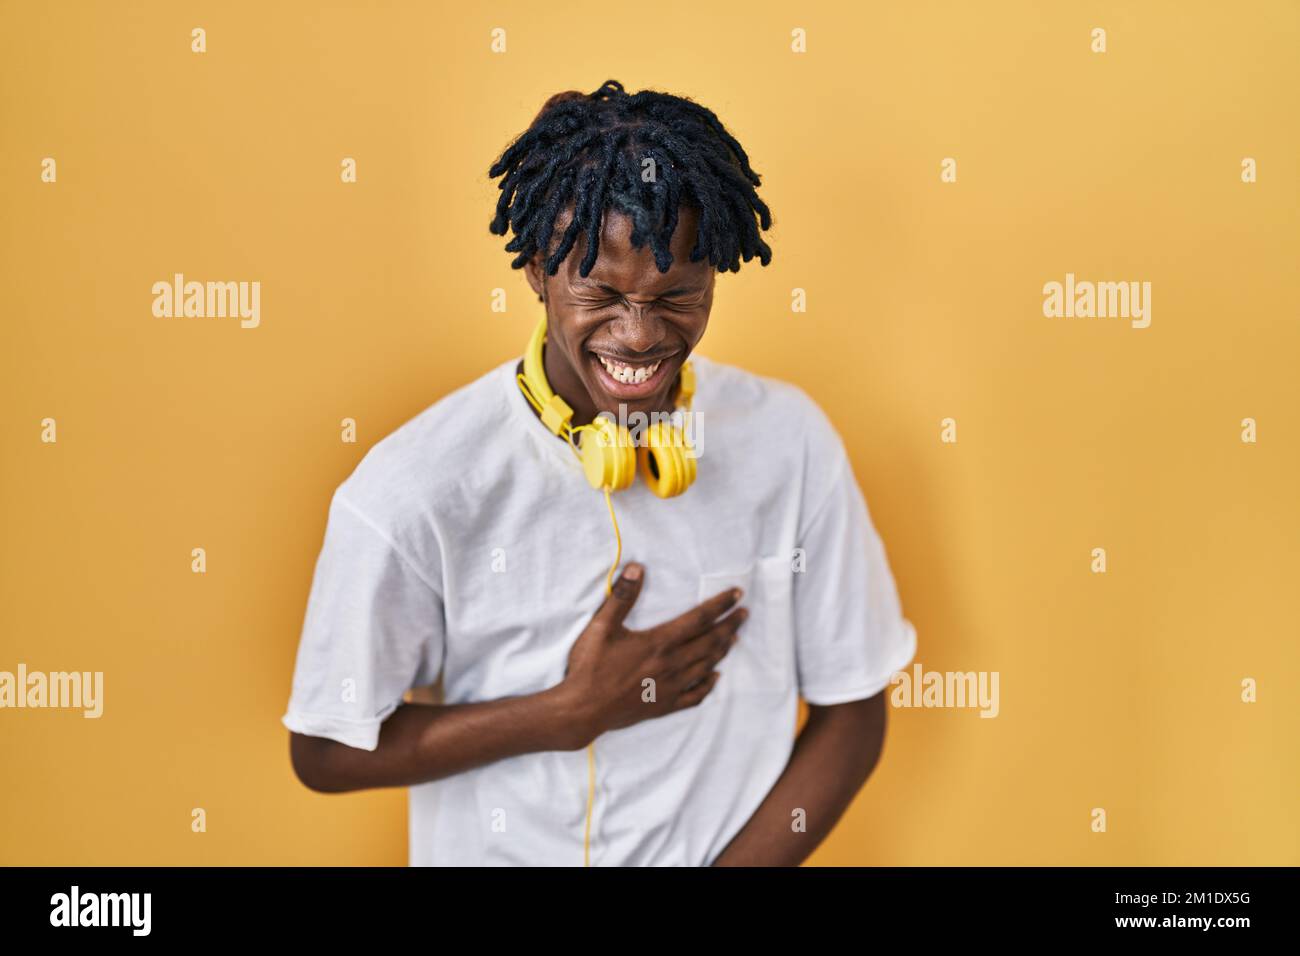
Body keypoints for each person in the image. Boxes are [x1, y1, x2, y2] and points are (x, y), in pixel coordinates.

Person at [281, 79, 916, 866]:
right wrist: (564, 713)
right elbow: (325, 750)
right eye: (602, 293)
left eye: (677, 294)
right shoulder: (415, 487)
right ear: (538, 271)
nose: (640, 335)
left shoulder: (790, 442)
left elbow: (853, 708)